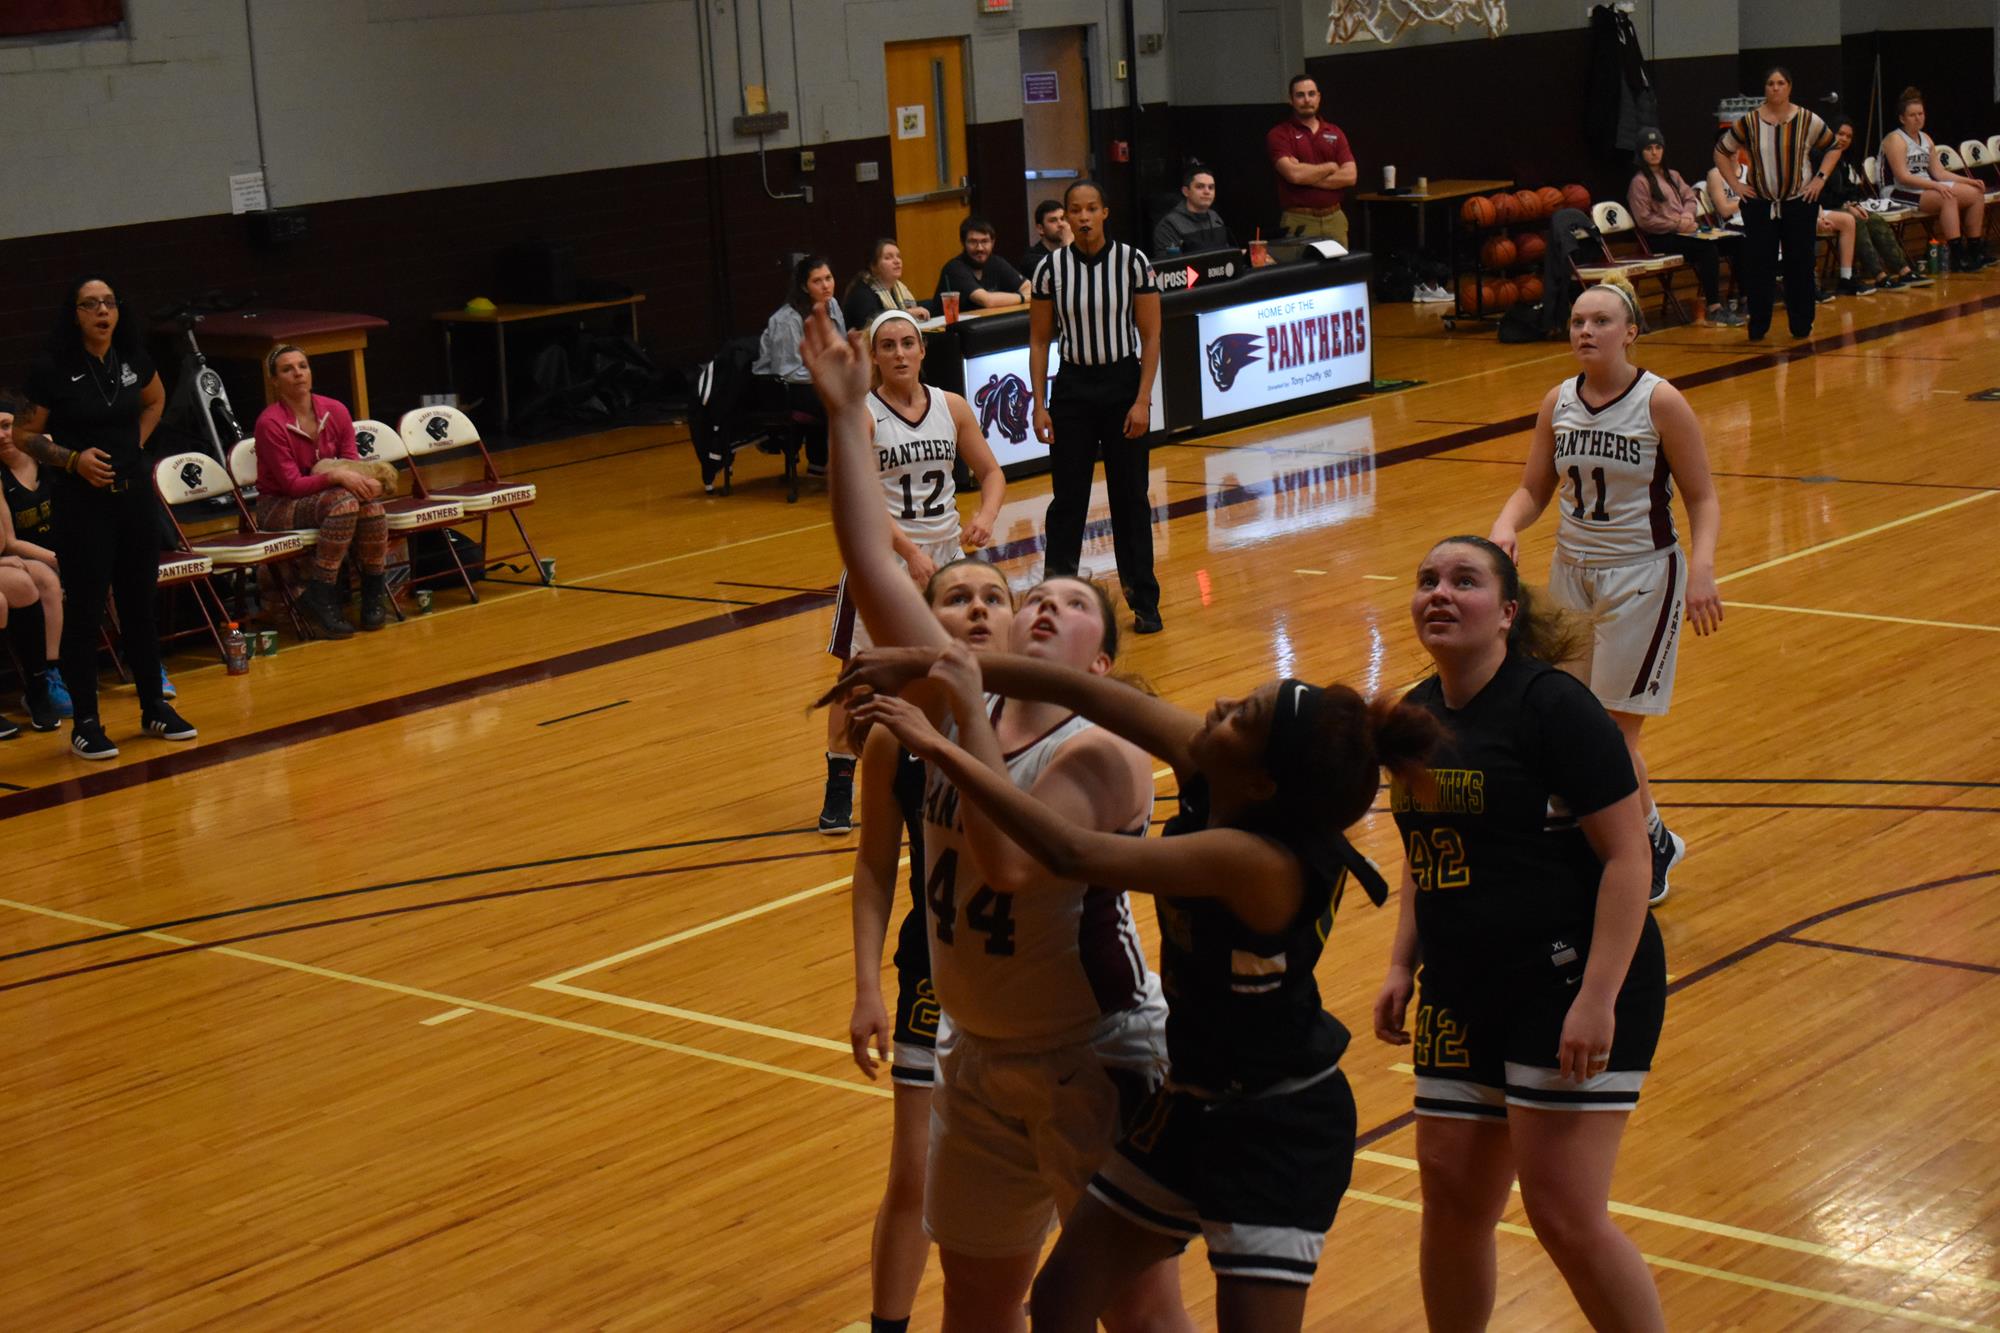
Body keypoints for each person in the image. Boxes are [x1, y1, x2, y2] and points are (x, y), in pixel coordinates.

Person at [842, 648, 1439, 1332]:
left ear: (1264, 781)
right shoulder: (1221, 765)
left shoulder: (1259, 863)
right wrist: (926, 660)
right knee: (1063, 1296)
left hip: (1277, 1128)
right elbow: (1075, 685)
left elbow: (1072, 853)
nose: (1217, 706)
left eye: (1242, 714)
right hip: (1193, 1101)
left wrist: (939, 746)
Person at [801, 304, 1187, 1333]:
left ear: (1098, 664)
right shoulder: (947, 703)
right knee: (976, 1306)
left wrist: (962, 705)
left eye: (1075, 606)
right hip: (977, 1051)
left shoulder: (1098, 754)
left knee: (1139, 1314)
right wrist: (842, 415)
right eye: (1041, 597)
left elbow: (1010, 865)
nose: (1049, 605)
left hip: (1093, 1053)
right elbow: (871, 562)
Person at [1375, 534, 1668, 1333]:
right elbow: (1424, 855)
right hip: (1464, 984)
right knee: (1450, 1191)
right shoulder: (1412, 716)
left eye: (1463, 581)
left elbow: (1628, 858)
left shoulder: (1555, 708)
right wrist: (1402, 962)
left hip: (1570, 980)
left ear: (1507, 613)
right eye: (1427, 578)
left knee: (1563, 1210)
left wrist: (1597, 999)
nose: (1439, 592)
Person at [1489, 282, 1723, 906]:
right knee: (1566, 722)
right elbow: (1534, 489)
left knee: (1614, 734)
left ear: (1631, 332)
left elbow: (1701, 496)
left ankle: (1646, 846)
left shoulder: (1660, 401)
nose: (1585, 331)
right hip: (1573, 570)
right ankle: (1610, 839)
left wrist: (1701, 570)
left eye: (1600, 321)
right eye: (1576, 321)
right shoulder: (1558, 401)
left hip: (1644, 573)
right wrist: (1505, 526)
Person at [847, 557, 1016, 1333]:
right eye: (957, 598)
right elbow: (876, 865)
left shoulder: (1039, 725)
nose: (978, 610)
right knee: (914, 1170)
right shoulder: (895, 739)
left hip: (1031, 984)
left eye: (994, 597)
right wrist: (866, 987)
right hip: (933, 973)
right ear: (924, 623)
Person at [819, 310, 1005, 835]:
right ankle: (839, 780)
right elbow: (863, 498)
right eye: (888, 346)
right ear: (874, 358)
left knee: (959, 665)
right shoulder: (863, 414)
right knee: (858, 677)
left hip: (946, 556)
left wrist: (985, 516)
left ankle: (953, 766)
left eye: (908, 344)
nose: (899, 353)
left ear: (922, 350)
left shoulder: (952, 406)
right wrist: (906, 548)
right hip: (882, 560)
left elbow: (991, 472)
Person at [12, 275, 196, 759]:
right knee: (87, 611)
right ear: (75, 314)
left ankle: (154, 706)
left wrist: (136, 442)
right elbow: (23, 436)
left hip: (134, 498)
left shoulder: (133, 357)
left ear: (118, 311)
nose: (101, 311)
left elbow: (156, 399)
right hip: (82, 505)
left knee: (139, 605)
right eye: (90, 304)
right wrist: (73, 460)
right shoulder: (52, 368)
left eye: (108, 303)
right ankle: (87, 723)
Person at [1029, 180, 1164, 635]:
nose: (1083, 217)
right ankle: (1054, 601)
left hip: (1123, 384)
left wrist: (1143, 399)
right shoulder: (1051, 270)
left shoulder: (1134, 263)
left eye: (1091, 209)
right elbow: (1039, 339)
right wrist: (1038, 404)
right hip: (1072, 389)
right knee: (1069, 500)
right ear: (1065, 217)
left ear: (1105, 212)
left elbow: (1151, 336)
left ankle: (1144, 600)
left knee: (1131, 498)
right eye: (1075, 210)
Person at [253, 345, 390, 637]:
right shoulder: (270, 423)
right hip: (278, 505)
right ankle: (322, 593)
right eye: (287, 369)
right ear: (275, 381)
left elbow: (352, 464)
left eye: (303, 365)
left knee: (372, 507)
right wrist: (336, 475)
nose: (298, 373)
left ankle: (372, 592)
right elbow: (291, 485)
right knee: (344, 503)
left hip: (330, 497)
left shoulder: (336, 410)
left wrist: (370, 482)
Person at [1713, 66, 1841, 340]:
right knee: (1760, 266)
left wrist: (1819, 179)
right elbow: (1722, 151)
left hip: (1799, 201)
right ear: (1765, 88)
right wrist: (1735, 185)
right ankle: (1758, 326)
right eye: (1770, 83)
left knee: (1801, 264)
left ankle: (1801, 325)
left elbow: (1834, 146)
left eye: (1780, 83)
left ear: (1789, 87)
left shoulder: (1807, 119)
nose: (1775, 88)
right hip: (1760, 203)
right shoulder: (1749, 122)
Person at [1626, 128, 1742, 326]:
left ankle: (1744, 298)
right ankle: (1714, 308)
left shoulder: (1673, 175)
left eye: (1658, 147)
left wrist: (1687, 215)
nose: (1654, 152)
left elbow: (1690, 198)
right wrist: (1676, 224)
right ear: (1641, 153)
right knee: (1707, 249)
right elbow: (1644, 220)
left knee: (1737, 242)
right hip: (1659, 238)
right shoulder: (1639, 183)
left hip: (1685, 231)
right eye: (1649, 148)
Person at [0, 393, 68, 730]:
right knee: (39, 579)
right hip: (26, 552)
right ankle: (45, 676)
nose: (2, 435)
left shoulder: (44, 455)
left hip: (56, 546)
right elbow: (6, 542)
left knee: (107, 569)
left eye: (6, 426)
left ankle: (41, 684)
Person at [1880, 86, 1992, 272]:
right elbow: (1903, 176)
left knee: (1975, 193)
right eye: (1912, 115)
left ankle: (1974, 250)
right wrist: (1936, 186)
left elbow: (1939, 173)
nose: (1918, 118)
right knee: (1947, 197)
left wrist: (1968, 181)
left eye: (1921, 113)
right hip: (1896, 191)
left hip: (1924, 187)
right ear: (1902, 118)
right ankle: (1956, 256)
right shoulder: (1895, 139)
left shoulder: (1926, 139)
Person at [754, 254, 847, 475]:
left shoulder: (832, 305)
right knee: (838, 402)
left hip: (817, 380)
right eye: (818, 281)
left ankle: (820, 460)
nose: (826, 286)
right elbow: (788, 371)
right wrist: (828, 376)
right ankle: (840, 466)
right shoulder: (787, 320)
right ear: (805, 288)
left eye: (829, 278)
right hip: (786, 388)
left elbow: (840, 348)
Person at [1818, 119, 1930, 291]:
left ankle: (1904, 270)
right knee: (1858, 221)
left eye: (1849, 136)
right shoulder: (1819, 157)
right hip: (1824, 209)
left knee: (1875, 220)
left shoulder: (1846, 159)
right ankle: (1879, 275)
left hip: (1844, 205)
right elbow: (1821, 194)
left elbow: (1852, 189)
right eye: (1840, 134)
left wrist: (1855, 203)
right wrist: (1847, 206)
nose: (1844, 139)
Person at [1267, 75, 1356, 245]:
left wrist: (1305, 174)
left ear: (1319, 97)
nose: (1307, 99)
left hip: (1335, 218)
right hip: (1299, 220)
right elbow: (1293, 175)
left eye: (1311, 94)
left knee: (1340, 272)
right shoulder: (1279, 134)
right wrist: (1330, 166)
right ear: (1290, 100)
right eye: (1300, 95)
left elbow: (1350, 176)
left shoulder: (1335, 132)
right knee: (1301, 272)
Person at [936, 218, 1031, 310]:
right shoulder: (954, 268)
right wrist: (1023, 298)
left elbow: (1028, 287)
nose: (980, 248)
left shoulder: (996, 262)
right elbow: (987, 301)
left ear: (992, 243)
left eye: (984, 241)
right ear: (963, 243)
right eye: (973, 242)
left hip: (986, 323)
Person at [843, 239, 928, 333]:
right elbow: (872, 326)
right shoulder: (862, 294)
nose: (897, 261)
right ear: (873, 266)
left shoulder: (898, 288)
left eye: (898, 256)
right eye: (888, 258)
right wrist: (907, 314)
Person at [1151, 167, 1230, 257]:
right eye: (1200, 187)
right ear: (1186, 191)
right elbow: (1172, 267)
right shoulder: (1169, 225)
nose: (1207, 191)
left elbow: (1225, 253)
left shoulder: (1215, 217)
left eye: (1211, 187)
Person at [1021, 199, 1072, 282]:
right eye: (1053, 220)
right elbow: (1063, 277)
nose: (1061, 224)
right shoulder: (1032, 259)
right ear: (1040, 229)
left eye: (1062, 219)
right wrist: (1068, 245)